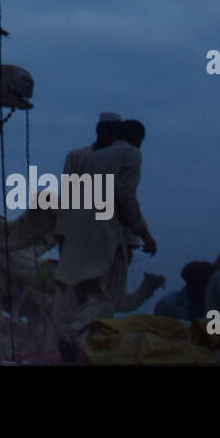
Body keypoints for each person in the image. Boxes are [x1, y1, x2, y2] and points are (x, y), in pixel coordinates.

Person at [52, 115, 156, 360]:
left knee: (85, 293)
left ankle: (78, 346)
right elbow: (125, 196)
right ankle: (73, 333)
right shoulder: (131, 154)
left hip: (77, 232)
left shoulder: (94, 157)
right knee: (107, 296)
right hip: (105, 233)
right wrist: (144, 234)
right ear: (139, 138)